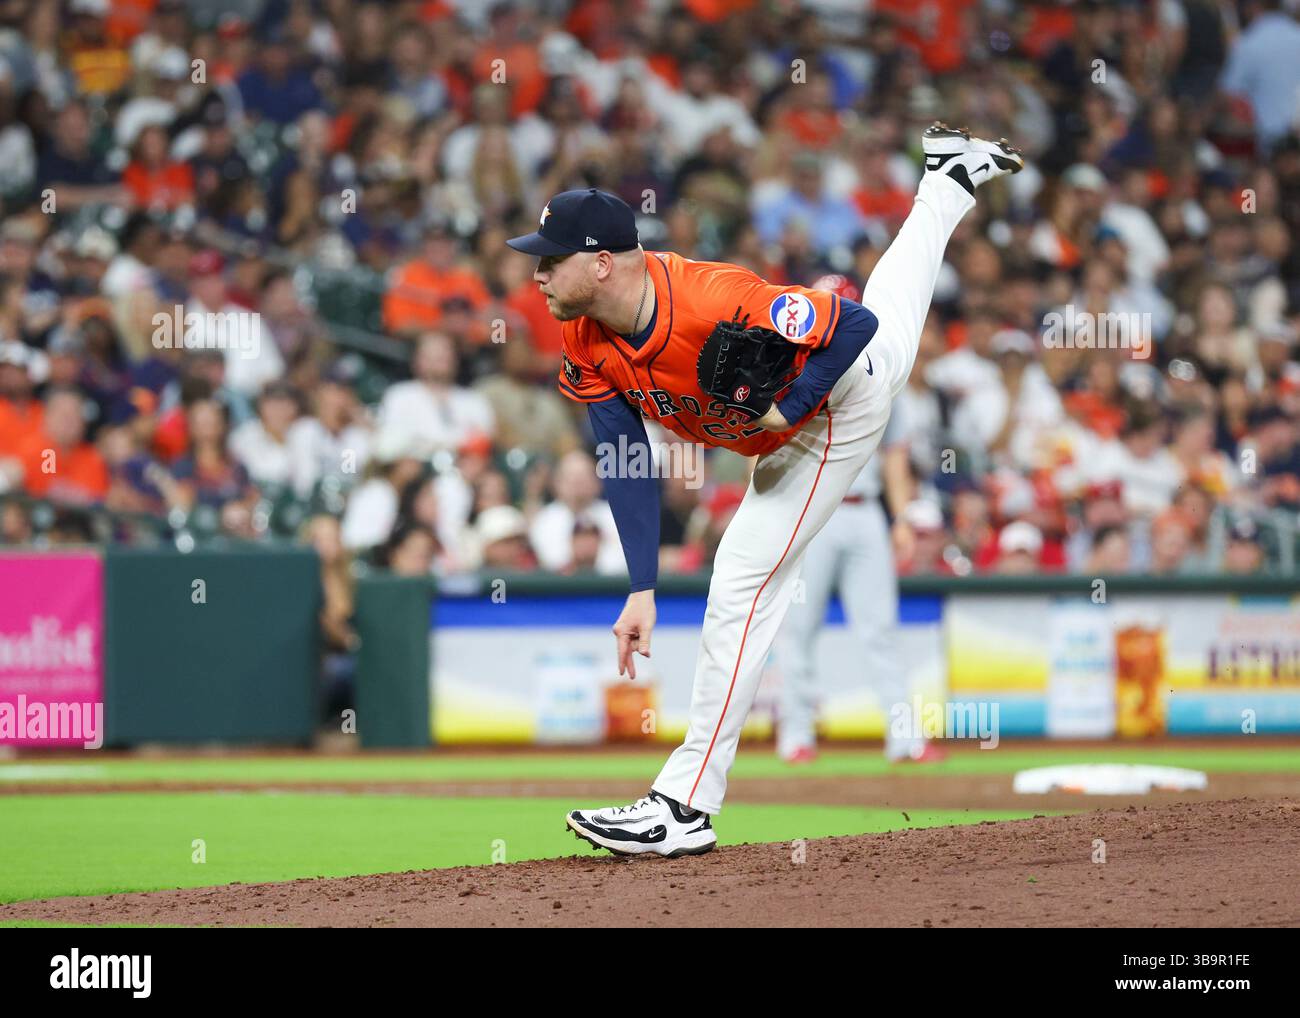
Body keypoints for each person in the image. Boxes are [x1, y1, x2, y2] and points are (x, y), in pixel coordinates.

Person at [506, 122, 1024, 857]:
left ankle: (683, 806)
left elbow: (850, 323)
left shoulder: (712, 298)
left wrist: (789, 404)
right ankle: (947, 180)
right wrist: (643, 586)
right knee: (901, 318)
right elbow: (623, 455)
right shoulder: (585, 332)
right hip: (791, 433)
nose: (536, 276)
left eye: (549, 262)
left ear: (598, 264)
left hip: (837, 407)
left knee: (742, 581)